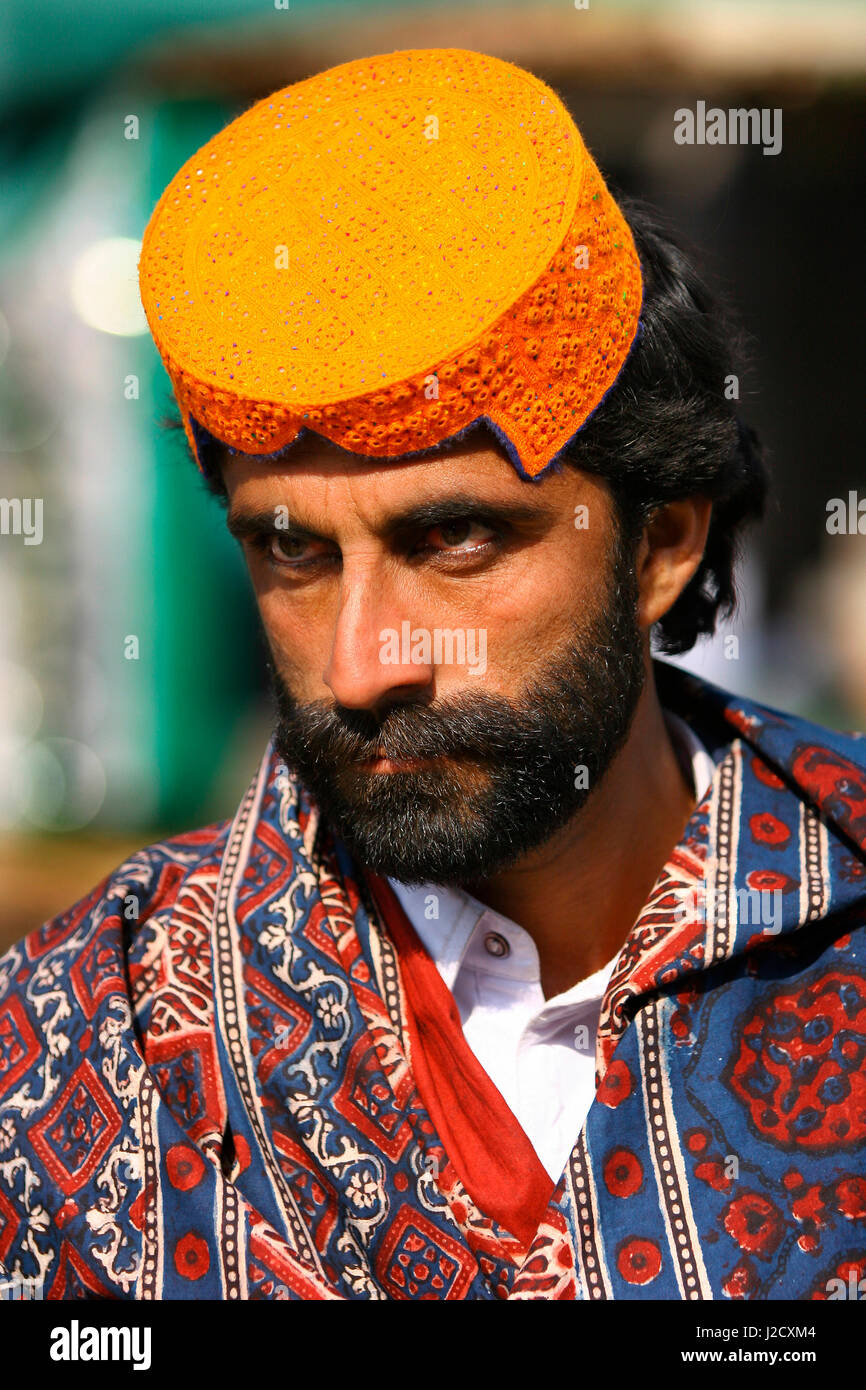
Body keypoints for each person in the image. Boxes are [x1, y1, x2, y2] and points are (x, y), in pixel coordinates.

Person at [1, 47, 864, 1302]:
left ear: (662, 540)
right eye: (291, 550)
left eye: (453, 539)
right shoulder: (88, 1035)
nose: (360, 667)